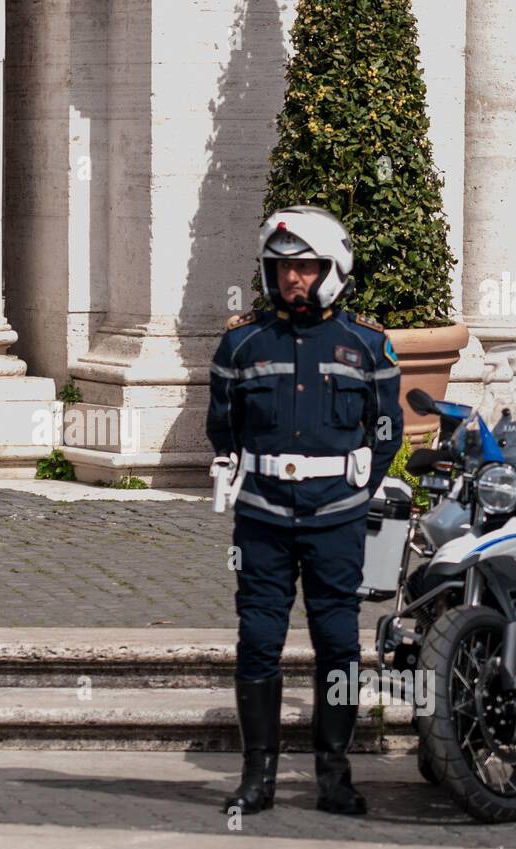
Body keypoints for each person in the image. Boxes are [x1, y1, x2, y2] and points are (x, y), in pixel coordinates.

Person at [207, 206, 402, 816]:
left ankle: (334, 776)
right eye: (283, 267)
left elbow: (387, 432)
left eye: (306, 267)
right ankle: (257, 776)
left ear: (333, 269)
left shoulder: (367, 345)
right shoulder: (240, 343)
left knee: (339, 643)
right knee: (258, 641)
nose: (293, 279)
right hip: (261, 518)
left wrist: (352, 494)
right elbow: (223, 430)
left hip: (338, 518)